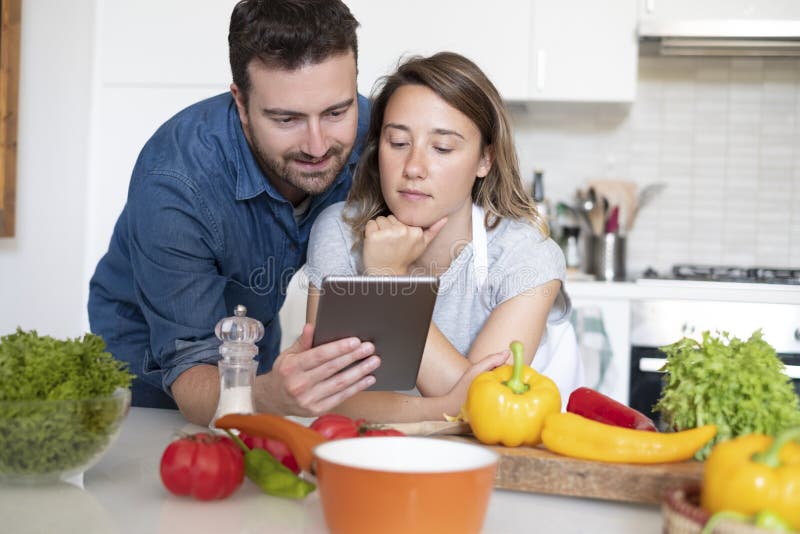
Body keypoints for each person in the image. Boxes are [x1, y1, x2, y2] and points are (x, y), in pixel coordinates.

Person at [88, 0, 380, 426]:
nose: (318, 146)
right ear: (241, 105)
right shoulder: (175, 182)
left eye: (336, 111)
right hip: (146, 368)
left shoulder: (374, 133)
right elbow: (192, 377)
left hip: (252, 338)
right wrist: (271, 394)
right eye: (286, 119)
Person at [305, 52, 584, 422]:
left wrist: (391, 279)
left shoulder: (525, 256)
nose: (414, 169)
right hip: (375, 454)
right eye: (398, 143)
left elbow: (490, 407)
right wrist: (441, 408)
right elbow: (326, 394)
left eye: (442, 148)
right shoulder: (340, 234)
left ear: (485, 160)